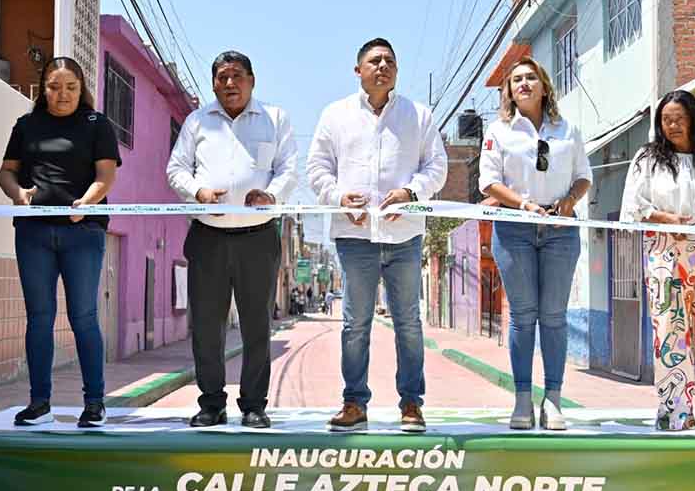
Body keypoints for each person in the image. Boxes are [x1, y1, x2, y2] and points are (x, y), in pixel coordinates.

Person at [307, 37, 447, 433]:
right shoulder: (335, 115)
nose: (383, 66)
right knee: (355, 324)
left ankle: (411, 403)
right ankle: (354, 402)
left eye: (389, 61)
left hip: (405, 236)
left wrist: (411, 192)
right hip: (354, 237)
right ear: (358, 71)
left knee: (409, 323)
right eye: (374, 60)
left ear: (396, 70)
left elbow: (437, 166)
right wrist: (338, 196)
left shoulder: (418, 115)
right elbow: (317, 168)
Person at [167, 50, 296, 429]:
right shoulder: (197, 121)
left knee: (257, 327)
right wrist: (198, 192)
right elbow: (176, 169)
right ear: (213, 84)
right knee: (208, 328)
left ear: (252, 80)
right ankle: (211, 404)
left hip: (259, 238)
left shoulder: (275, 118)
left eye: (237, 75)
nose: (229, 83)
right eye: (222, 77)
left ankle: (254, 405)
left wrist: (271, 194)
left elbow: (289, 168)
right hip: (208, 238)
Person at [0, 56, 121, 429]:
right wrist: (17, 193)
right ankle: (39, 404)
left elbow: (106, 175)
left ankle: (95, 404)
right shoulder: (26, 125)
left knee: (83, 315)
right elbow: (6, 172)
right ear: (43, 88)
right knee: (39, 317)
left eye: (70, 87)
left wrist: (87, 202)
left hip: (83, 232)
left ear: (81, 89)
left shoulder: (97, 124)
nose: (62, 94)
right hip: (33, 232)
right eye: (54, 87)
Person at [479, 57, 592, 431]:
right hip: (515, 229)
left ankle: (553, 400)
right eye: (516, 80)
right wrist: (524, 205)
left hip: (560, 230)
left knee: (554, 316)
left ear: (544, 86)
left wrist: (569, 201)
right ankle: (522, 399)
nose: (524, 83)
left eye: (531, 78)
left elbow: (583, 176)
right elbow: (488, 182)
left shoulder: (567, 129)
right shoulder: (499, 131)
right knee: (523, 316)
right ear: (509, 92)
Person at [620, 90, 695, 432]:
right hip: (665, 252)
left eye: (679, 119)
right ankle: (676, 412)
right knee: (669, 332)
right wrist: (665, 218)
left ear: (694, 121)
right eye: (666, 120)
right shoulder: (648, 159)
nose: (672, 126)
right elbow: (633, 205)